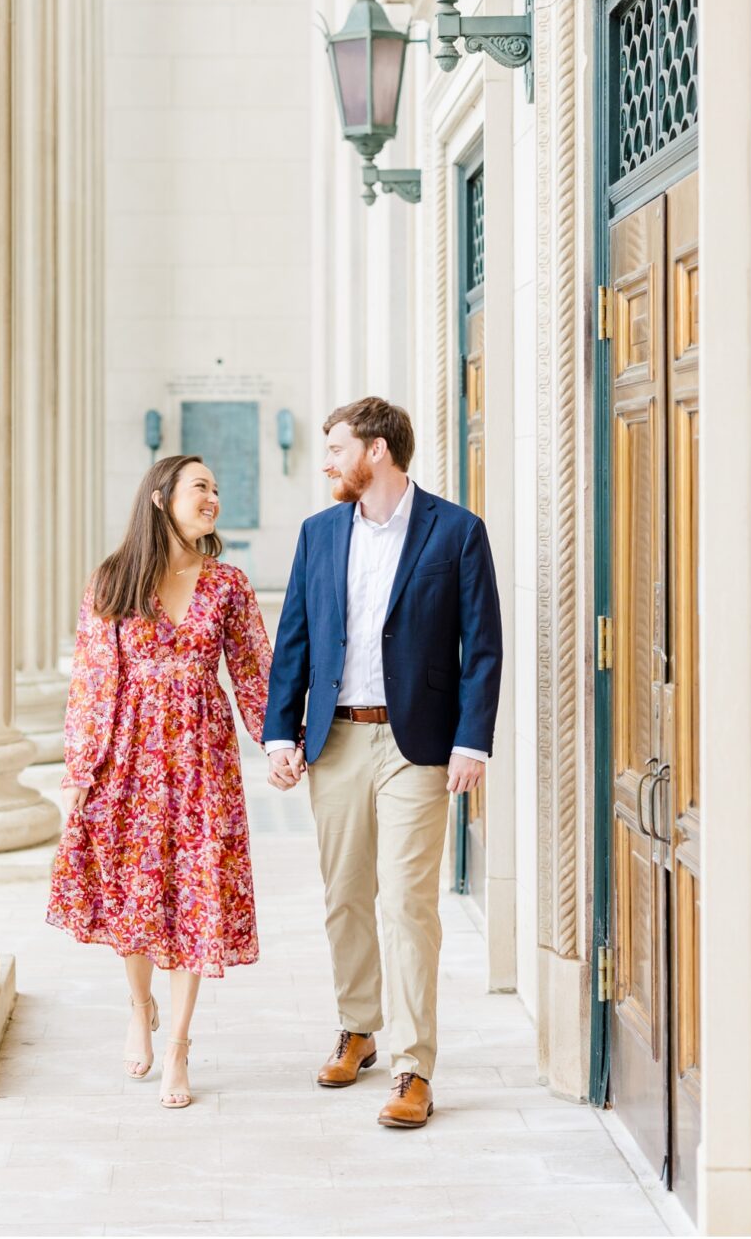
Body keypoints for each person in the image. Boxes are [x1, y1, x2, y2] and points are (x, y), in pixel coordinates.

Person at [264, 397, 502, 1128]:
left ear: (377, 451)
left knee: (406, 902)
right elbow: (295, 637)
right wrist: (281, 732)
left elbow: (481, 643)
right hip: (335, 740)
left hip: (416, 745)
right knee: (344, 896)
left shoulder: (456, 531)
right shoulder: (318, 533)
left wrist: (472, 740)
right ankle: (358, 1027)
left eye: (337, 447)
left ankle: (412, 1065)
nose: (328, 460)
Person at [46, 455, 272, 1109]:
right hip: (130, 758)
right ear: (160, 497)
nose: (213, 497)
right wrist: (79, 771)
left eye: (217, 488)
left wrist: (283, 745)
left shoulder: (227, 584)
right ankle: (138, 1003)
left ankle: (178, 1045)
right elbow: (91, 681)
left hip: (203, 763)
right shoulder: (113, 581)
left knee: (194, 895)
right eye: (201, 486)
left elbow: (256, 674)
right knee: (137, 893)